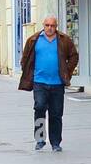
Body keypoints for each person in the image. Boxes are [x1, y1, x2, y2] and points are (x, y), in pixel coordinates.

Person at [18, 15, 79, 153]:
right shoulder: (34, 40)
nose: (50, 28)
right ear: (43, 25)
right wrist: (28, 73)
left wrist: (67, 72)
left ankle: (56, 142)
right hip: (39, 82)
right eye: (47, 25)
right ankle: (40, 139)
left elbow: (74, 56)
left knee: (56, 113)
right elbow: (25, 58)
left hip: (57, 83)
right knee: (39, 107)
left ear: (56, 27)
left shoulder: (63, 40)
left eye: (52, 26)